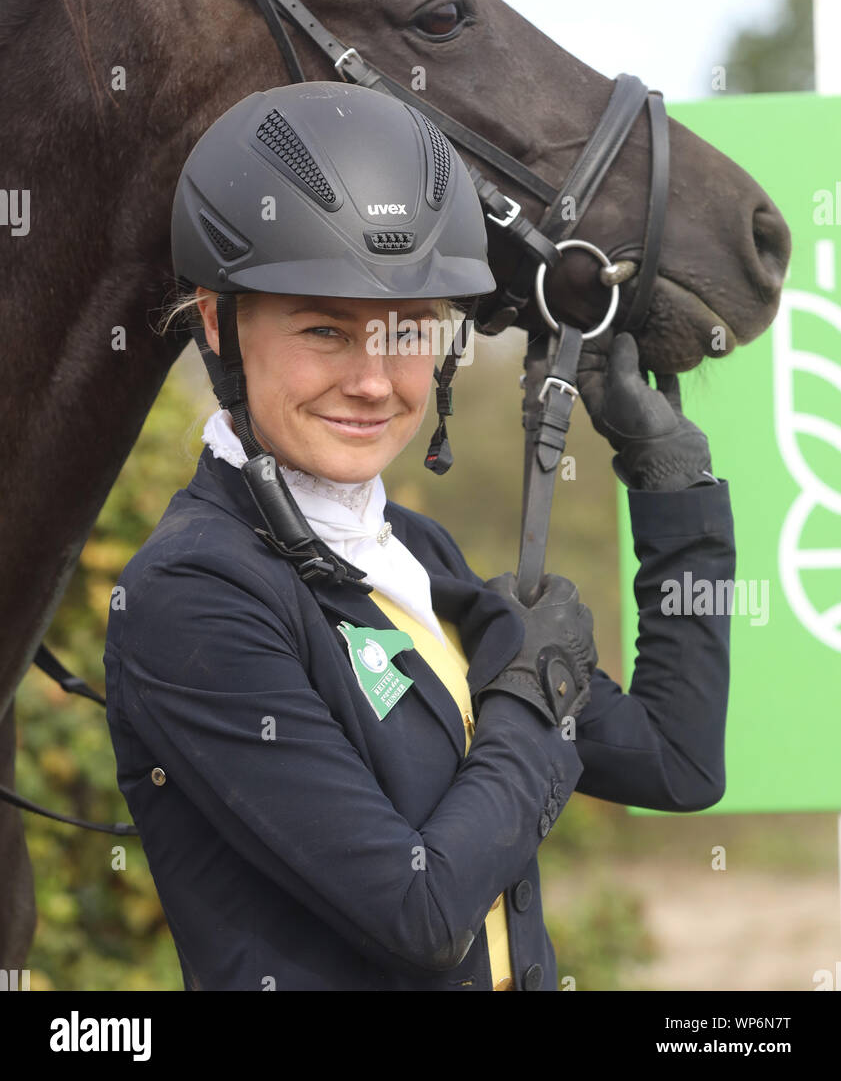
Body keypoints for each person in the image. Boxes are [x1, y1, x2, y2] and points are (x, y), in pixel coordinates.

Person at [104, 81, 735, 993]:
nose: (373, 380)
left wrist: (671, 486)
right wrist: (532, 694)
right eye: (325, 329)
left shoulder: (414, 554)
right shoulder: (193, 596)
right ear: (218, 322)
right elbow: (422, 912)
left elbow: (677, 763)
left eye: (404, 330)